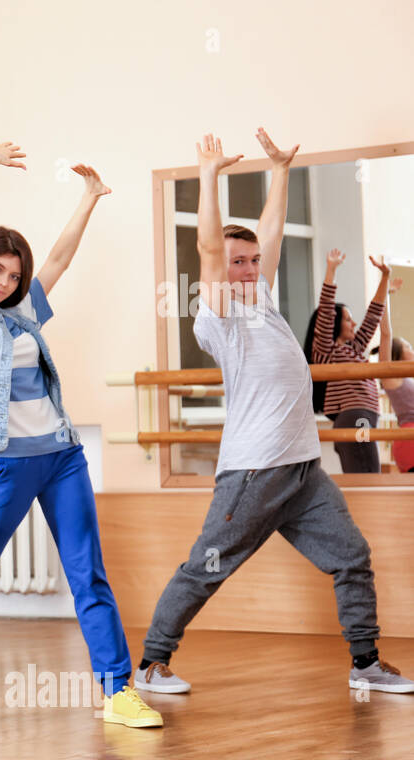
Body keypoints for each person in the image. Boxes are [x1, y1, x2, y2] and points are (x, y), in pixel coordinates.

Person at [138, 130, 413, 695]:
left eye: (253, 262)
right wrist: (209, 177)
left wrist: (281, 170)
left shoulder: (259, 297)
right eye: (237, 262)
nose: (247, 268)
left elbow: (270, 233)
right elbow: (210, 250)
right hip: (255, 472)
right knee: (206, 568)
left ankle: (365, 662)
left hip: (303, 468)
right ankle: (149, 664)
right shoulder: (217, 314)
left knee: (352, 556)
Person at [0, 139, 162, 733]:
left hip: (62, 458)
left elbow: (61, 259)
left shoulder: (23, 314)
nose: (5, 280)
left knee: (88, 574)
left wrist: (89, 198)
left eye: (14, 274)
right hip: (4, 465)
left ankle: (117, 691)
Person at [304, 248, 388, 472]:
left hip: (365, 417)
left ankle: (362, 508)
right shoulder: (327, 351)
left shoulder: (355, 349)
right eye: (348, 320)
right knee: (368, 473)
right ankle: (364, 509)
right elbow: (326, 311)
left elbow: (373, 316)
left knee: (367, 471)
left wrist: (385, 277)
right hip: (356, 416)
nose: (354, 324)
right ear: (334, 325)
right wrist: (331, 270)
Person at [374, 272, 414, 471]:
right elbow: (386, 334)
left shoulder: (409, 376)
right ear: (398, 353)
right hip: (409, 441)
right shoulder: (393, 378)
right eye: (408, 346)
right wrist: (386, 295)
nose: (412, 349)